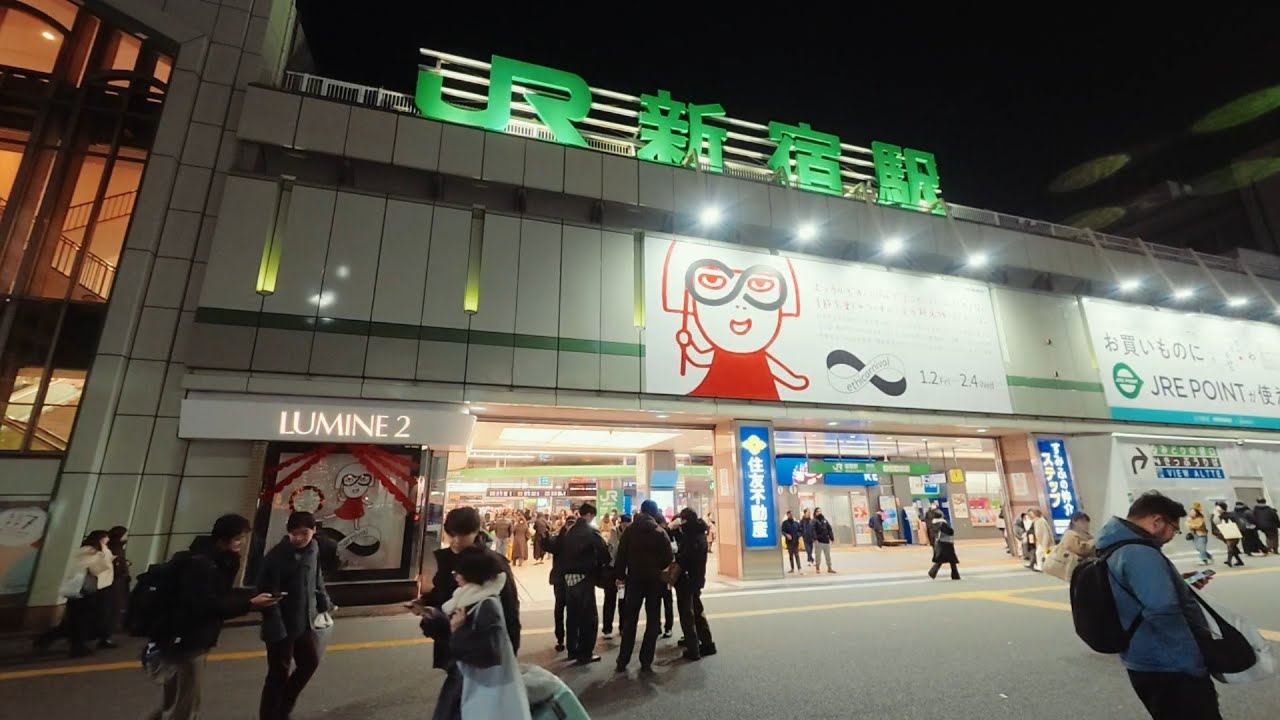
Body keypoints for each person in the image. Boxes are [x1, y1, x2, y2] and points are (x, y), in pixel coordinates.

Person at [1094, 492, 1219, 720]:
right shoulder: (1140, 552)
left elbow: (1135, 592)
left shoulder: (1113, 546)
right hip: (1170, 664)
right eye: (1174, 528)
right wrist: (1192, 662)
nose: (1173, 535)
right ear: (1156, 521)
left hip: (1140, 659)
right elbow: (1163, 607)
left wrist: (1178, 582)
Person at [144, 514, 279, 720]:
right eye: (238, 538)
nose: (242, 543)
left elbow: (218, 595)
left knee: (173, 700)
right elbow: (206, 604)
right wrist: (249, 604)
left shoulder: (215, 559)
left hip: (183, 635)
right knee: (186, 702)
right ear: (223, 538)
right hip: (187, 637)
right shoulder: (203, 565)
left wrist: (247, 597)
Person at [431, 547, 532, 720]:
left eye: (458, 572)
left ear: (471, 575)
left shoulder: (487, 606)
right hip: (477, 685)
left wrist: (457, 632)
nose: (455, 576)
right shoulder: (470, 598)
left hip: (488, 692)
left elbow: (487, 655)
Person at [418, 507, 521, 668]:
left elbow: (510, 610)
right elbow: (442, 594)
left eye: (463, 534)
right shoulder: (446, 559)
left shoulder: (493, 564)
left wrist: (510, 654)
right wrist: (424, 603)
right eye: (452, 534)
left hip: (481, 652)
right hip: (453, 645)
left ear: (476, 532)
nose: (456, 540)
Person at [256, 511, 331, 720]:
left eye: (304, 533)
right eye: (294, 533)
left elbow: (316, 578)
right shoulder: (276, 556)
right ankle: (270, 715)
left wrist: (325, 602)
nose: (298, 538)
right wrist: (276, 627)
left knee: (309, 662)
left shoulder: (313, 548)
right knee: (278, 675)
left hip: (304, 622)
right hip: (280, 626)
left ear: (314, 531)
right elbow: (264, 592)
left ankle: (283, 709)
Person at [613, 502, 674, 673]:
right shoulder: (660, 532)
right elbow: (668, 558)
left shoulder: (630, 531)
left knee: (630, 620)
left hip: (634, 580)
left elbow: (621, 555)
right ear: (655, 513)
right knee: (653, 620)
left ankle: (622, 660)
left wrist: (619, 576)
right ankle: (646, 660)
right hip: (654, 582)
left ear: (641, 511)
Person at [35, 530, 114, 658]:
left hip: (83, 591)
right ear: (99, 540)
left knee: (75, 621)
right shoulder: (90, 552)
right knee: (80, 621)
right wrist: (105, 552)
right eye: (105, 540)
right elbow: (98, 569)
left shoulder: (86, 551)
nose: (107, 543)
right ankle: (75, 647)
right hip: (82, 591)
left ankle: (49, 640)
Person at [558, 503, 611, 665]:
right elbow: (604, 552)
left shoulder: (569, 531)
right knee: (588, 618)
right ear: (589, 515)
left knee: (572, 616)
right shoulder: (590, 531)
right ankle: (585, 653)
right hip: (584, 578)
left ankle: (572, 649)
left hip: (568, 579)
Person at [671, 508, 716, 661]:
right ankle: (707, 644)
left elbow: (684, 559)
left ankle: (694, 649)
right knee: (697, 611)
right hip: (696, 579)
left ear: (686, 520)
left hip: (688, 580)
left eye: (682, 520)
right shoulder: (698, 533)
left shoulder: (692, 537)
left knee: (688, 615)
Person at [639, 500, 676, 637]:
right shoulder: (663, 534)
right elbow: (669, 556)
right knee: (665, 602)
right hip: (664, 574)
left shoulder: (637, 531)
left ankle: (659, 627)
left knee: (654, 604)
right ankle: (666, 627)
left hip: (653, 575)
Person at [544, 517, 573, 653]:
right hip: (560, 580)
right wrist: (544, 536)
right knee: (559, 609)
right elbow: (548, 546)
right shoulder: (558, 539)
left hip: (573, 579)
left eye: (573, 524)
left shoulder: (578, 538)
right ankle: (560, 638)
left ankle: (573, 639)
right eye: (568, 524)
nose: (570, 527)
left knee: (573, 611)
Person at [601, 514, 630, 640]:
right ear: (620, 523)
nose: (626, 526)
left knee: (623, 601)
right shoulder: (614, 532)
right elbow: (615, 550)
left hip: (625, 572)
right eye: (624, 524)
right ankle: (607, 629)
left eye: (628, 524)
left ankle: (623, 628)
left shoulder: (631, 533)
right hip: (612, 571)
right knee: (610, 599)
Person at [102, 525, 131, 648]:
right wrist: (124, 568)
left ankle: (106, 636)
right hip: (114, 585)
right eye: (125, 534)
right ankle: (105, 637)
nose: (127, 537)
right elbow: (115, 567)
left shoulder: (116, 548)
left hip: (116, 584)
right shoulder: (114, 549)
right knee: (112, 610)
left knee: (112, 610)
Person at [1044, 511, 1095, 581]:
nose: (1086, 525)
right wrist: (1092, 543)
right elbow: (1080, 549)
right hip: (1073, 567)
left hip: (1082, 569)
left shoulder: (1086, 535)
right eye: (1082, 522)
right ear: (1075, 522)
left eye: (1087, 522)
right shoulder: (1070, 534)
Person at [1211, 501, 1245, 567]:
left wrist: (1239, 531)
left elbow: (1238, 522)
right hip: (1224, 534)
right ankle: (1239, 561)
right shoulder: (1216, 516)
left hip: (1233, 533)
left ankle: (1229, 560)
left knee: (1230, 546)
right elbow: (1214, 525)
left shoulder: (1230, 514)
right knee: (1232, 547)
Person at [811, 507, 835, 573]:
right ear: (815, 513)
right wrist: (815, 538)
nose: (819, 512)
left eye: (820, 511)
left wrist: (831, 538)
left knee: (828, 555)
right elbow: (812, 530)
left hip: (826, 541)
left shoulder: (825, 520)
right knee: (818, 555)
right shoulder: (814, 521)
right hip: (818, 541)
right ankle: (817, 568)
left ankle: (829, 568)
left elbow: (829, 529)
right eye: (818, 511)